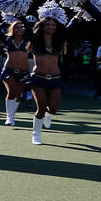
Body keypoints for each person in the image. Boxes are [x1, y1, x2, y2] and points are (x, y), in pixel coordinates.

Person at [27, 10, 67, 145]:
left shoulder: (59, 40)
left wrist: (80, 13)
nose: (51, 27)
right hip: (38, 77)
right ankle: (36, 134)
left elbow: (71, 26)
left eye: (53, 25)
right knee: (41, 107)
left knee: (54, 109)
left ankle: (47, 115)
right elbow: (27, 25)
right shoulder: (35, 39)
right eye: (48, 25)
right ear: (42, 26)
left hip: (55, 78)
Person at [0, 20, 31, 126]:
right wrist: (2, 22)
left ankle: (12, 115)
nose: (19, 29)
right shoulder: (7, 39)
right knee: (11, 92)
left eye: (21, 27)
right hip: (9, 70)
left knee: (18, 96)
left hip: (23, 72)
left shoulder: (28, 40)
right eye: (17, 27)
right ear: (12, 29)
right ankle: (9, 117)